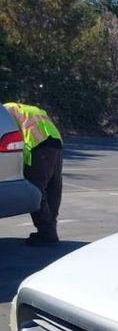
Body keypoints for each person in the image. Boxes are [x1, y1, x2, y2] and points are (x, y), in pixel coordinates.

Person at [3, 102, 63, 246]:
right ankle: (50, 229)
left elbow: (7, 134)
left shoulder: (6, 111)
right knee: (53, 188)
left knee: (36, 190)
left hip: (38, 145)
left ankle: (47, 232)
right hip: (55, 142)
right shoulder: (24, 108)